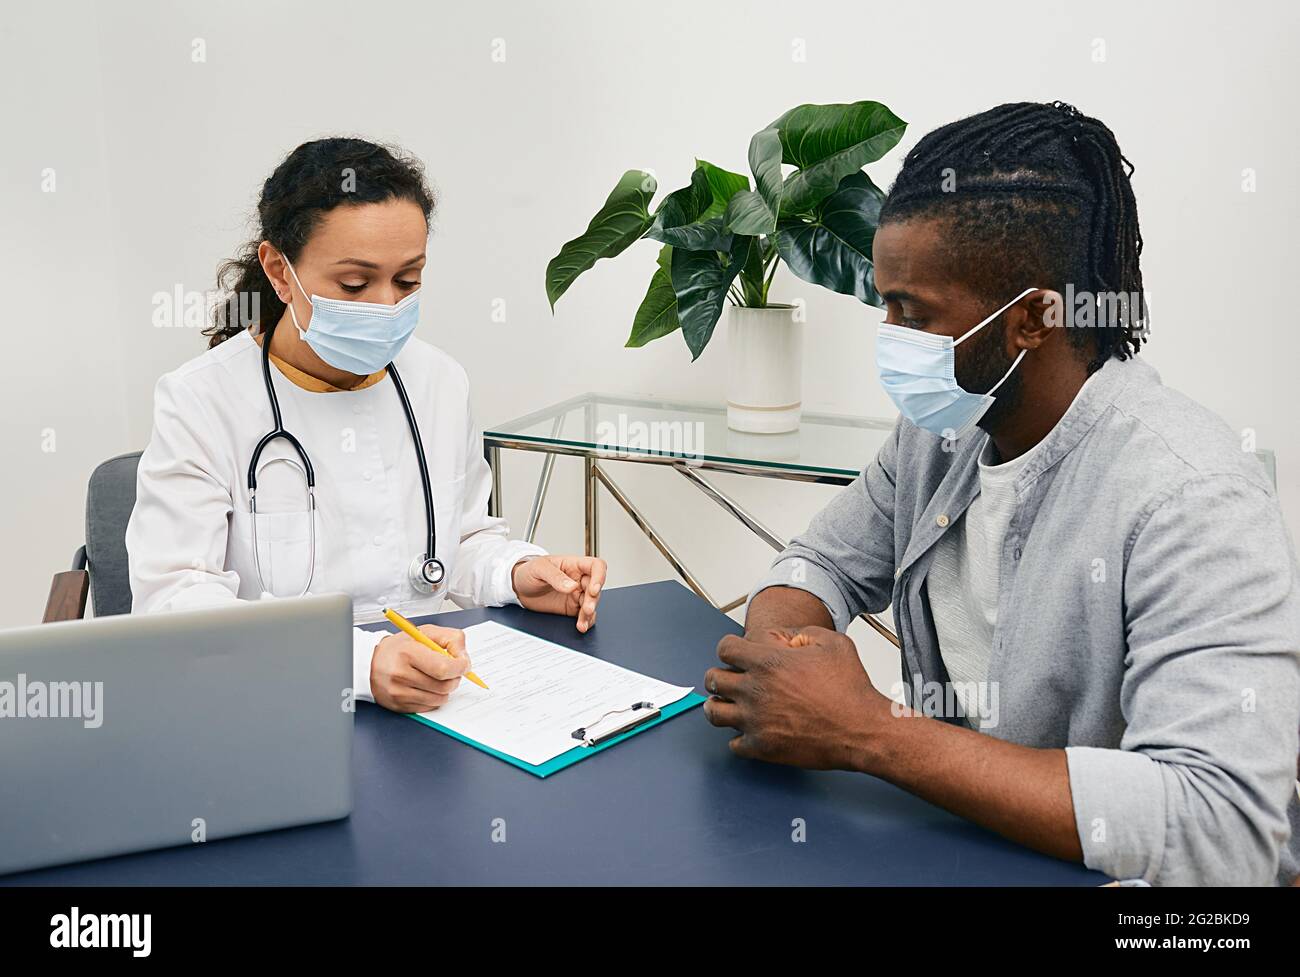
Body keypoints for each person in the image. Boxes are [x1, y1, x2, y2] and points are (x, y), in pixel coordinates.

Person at [704, 102, 1300, 886]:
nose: (890, 335)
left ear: (1029, 320)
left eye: (911, 312)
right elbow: (819, 562)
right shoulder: (941, 432)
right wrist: (792, 662)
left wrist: (869, 731)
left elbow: (1219, 826)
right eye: (885, 304)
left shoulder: (1193, 497)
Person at [127, 137, 607, 715]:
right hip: (276, 703)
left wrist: (518, 573)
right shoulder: (201, 401)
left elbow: (462, 539)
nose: (386, 306)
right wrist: (357, 665)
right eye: (355, 284)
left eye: (408, 281)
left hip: (439, 704)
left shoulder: (438, 382)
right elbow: (176, 603)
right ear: (280, 271)